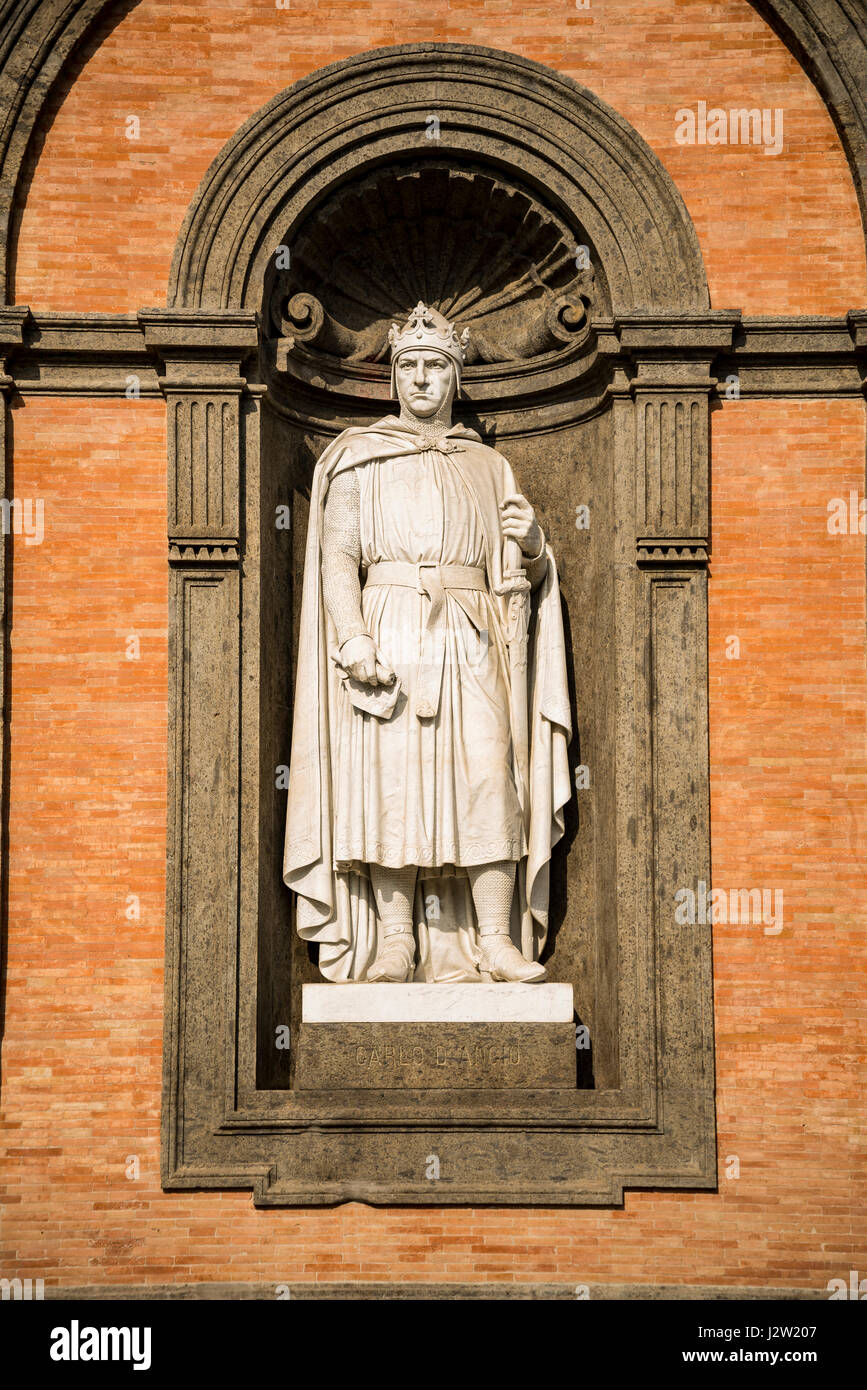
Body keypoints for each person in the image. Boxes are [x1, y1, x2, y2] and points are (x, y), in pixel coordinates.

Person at [284, 303, 571, 983]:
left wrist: (532, 548)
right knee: (391, 783)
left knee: (486, 777)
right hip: (391, 625)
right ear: (392, 379)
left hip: (473, 635)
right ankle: (394, 943)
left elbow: (519, 570)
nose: (419, 380)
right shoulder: (357, 460)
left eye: (434, 368)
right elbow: (336, 559)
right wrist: (353, 641)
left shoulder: (486, 465)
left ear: (454, 378)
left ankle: (495, 941)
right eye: (408, 367)